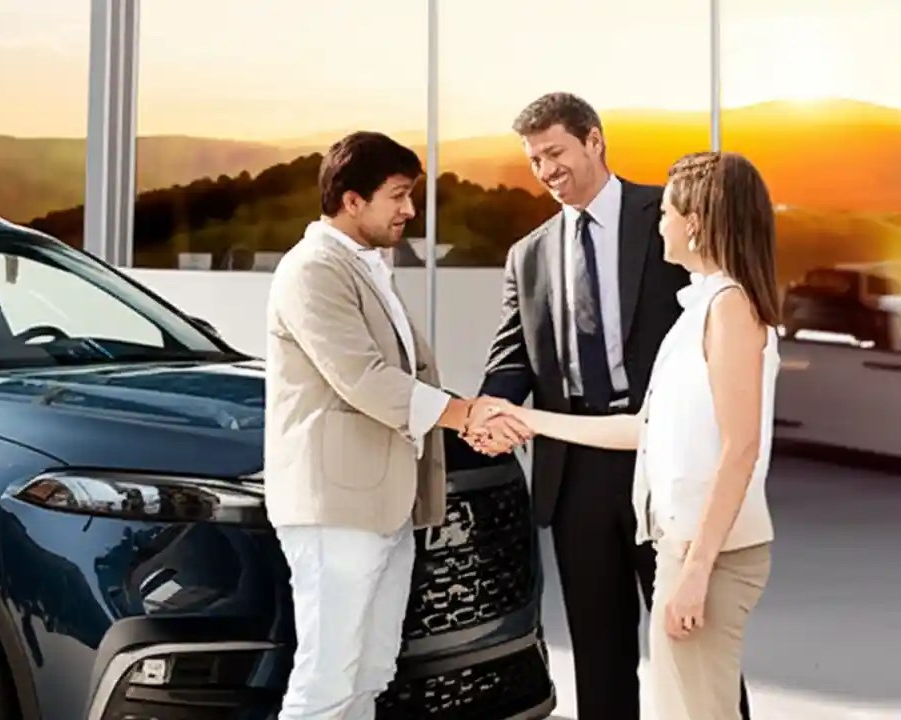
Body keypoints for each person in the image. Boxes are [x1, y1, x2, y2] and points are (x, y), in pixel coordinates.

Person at [479, 150, 778, 720]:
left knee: (699, 710)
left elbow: (740, 449)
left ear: (694, 222)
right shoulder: (697, 311)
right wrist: (526, 420)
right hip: (681, 547)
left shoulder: (730, 309)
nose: (658, 221)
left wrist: (695, 571)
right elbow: (643, 429)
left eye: (665, 212)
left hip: (706, 554)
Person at [263, 131, 516, 719]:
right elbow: (367, 378)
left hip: (382, 507)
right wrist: (464, 415)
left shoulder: (369, 266)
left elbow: (403, 374)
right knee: (326, 681)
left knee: (371, 672)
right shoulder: (313, 271)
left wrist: (462, 411)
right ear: (352, 201)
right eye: (398, 196)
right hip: (335, 511)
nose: (409, 210)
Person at [475, 92, 703, 720]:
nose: (545, 171)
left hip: (665, 463)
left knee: (697, 649)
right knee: (600, 659)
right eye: (533, 160)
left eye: (554, 153)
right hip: (576, 473)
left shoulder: (668, 216)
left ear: (594, 141)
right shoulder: (529, 253)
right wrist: (487, 414)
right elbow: (512, 358)